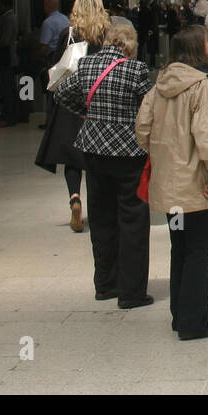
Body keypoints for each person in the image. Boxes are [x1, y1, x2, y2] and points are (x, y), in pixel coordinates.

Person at [135, 25, 208, 340]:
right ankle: (193, 322)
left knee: (180, 247)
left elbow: (142, 131)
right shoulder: (205, 87)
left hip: (169, 186)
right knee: (198, 251)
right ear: (196, 49)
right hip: (197, 187)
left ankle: (181, 315)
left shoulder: (159, 86)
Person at [55, 22, 154, 308]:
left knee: (101, 217)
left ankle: (105, 284)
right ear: (130, 45)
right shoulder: (136, 70)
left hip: (93, 149)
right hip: (128, 151)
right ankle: (131, 291)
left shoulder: (86, 65)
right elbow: (149, 107)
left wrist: (88, 113)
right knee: (133, 220)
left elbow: (60, 93)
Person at [37, 0, 110, 233]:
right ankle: (100, 207)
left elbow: (56, 64)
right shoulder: (106, 35)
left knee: (72, 157)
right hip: (97, 100)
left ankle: (75, 198)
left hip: (70, 101)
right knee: (97, 155)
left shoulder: (68, 34)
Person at [0, 0, 24, 127]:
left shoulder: (8, 19)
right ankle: (11, 114)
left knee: (7, 88)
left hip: (6, 59)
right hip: (8, 58)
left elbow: (5, 40)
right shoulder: (10, 18)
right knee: (9, 88)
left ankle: (9, 116)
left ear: (4, 5)